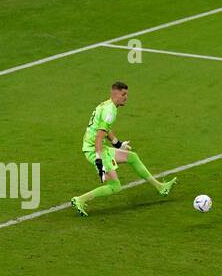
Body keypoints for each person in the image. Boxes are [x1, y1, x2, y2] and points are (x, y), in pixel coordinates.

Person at [70, 81, 176, 216]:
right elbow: (99, 136)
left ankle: (160, 187)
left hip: (97, 147)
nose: (126, 97)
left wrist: (118, 144)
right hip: (96, 149)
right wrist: (99, 160)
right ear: (115, 93)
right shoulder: (110, 111)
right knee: (115, 186)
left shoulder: (107, 105)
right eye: (123, 94)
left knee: (132, 156)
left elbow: (105, 130)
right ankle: (79, 200)